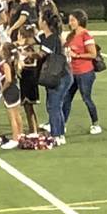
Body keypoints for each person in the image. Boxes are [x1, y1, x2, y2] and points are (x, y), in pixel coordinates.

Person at [63, 10, 102, 135]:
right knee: (66, 98)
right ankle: (62, 124)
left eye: (73, 20)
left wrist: (77, 55)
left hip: (85, 72)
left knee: (86, 98)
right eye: (70, 20)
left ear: (80, 21)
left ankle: (95, 124)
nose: (70, 23)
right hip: (72, 72)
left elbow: (93, 54)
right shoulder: (71, 35)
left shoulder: (86, 35)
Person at [38, 9, 71, 146]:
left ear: (45, 22)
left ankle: (57, 135)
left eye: (40, 18)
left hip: (60, 76)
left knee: (54, 106)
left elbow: (40, 55)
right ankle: (59, 133)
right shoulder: (47, 36)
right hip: (60, 75)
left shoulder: (52, 38)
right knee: (54, 106)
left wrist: (23, 55)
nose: (38, 20)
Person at [0, 42, 23, 144]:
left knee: (12, 116)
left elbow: (8, 80)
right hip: (15, 88)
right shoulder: (13, 61)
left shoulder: (6, 64)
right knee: (17, 114)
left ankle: (14, 138)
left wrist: (1, 90)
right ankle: (20, 135)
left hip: (10, 91)